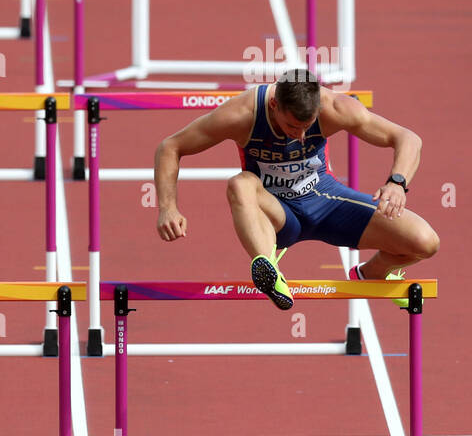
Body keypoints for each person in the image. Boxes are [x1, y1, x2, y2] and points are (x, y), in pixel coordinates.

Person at [153, 70, 439, 310]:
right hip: (276, 214)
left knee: (425, 242)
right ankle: (268, 269)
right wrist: (168, 207)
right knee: (240, 183)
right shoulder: (242, 114)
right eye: (292, 126)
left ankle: (371, 274)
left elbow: (407, 138)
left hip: (326, 201)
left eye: (308, 126)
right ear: (275, 105)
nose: (300, 135)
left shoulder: (335, 108)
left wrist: (397, 182)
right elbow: (171, 146)